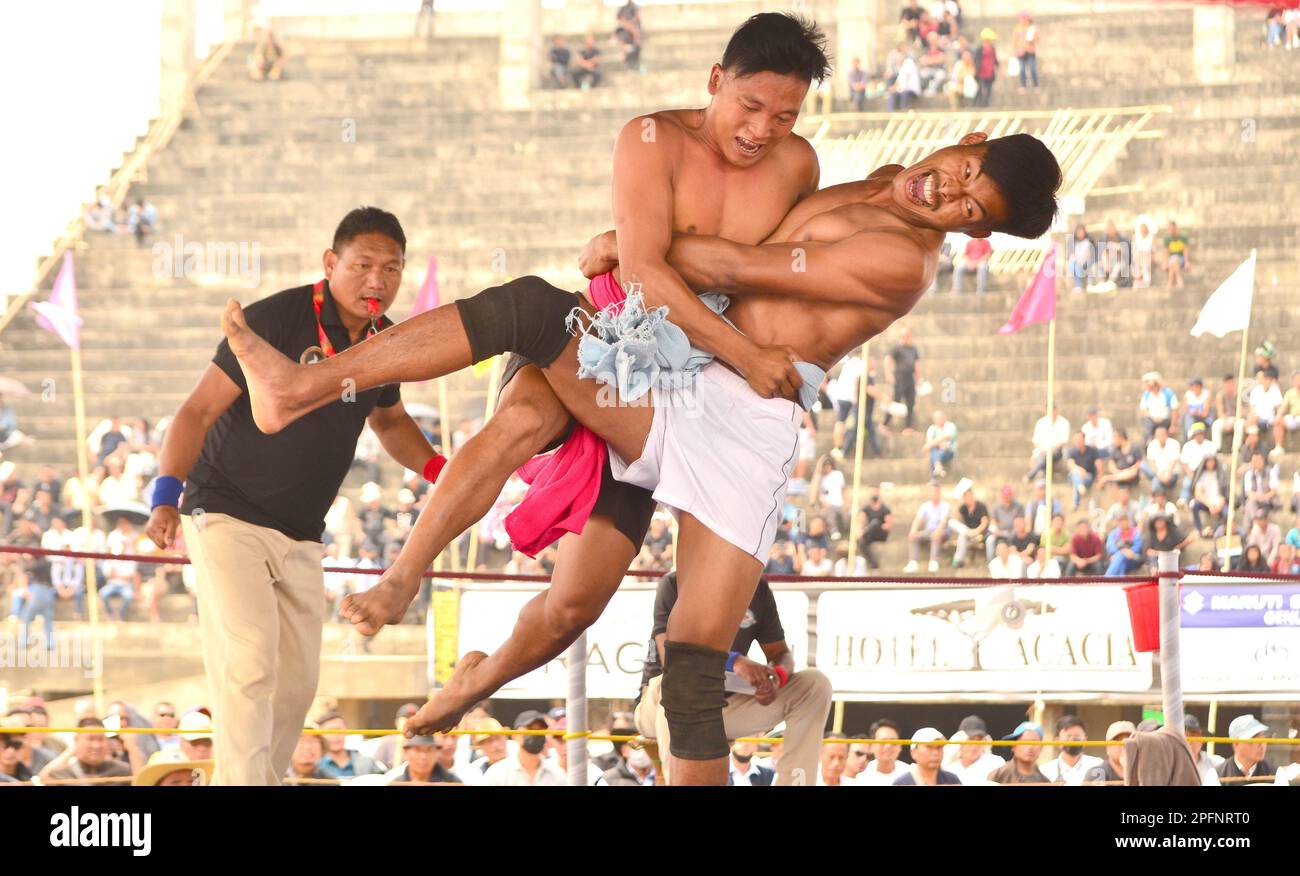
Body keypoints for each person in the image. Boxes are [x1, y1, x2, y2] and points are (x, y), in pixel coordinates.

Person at [229, 125, 1061, 783]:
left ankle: (461, 666)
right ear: (969, 139)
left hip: (749, 415)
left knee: (692, 666)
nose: (949, 194)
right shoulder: (874, 177)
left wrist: (635, 243)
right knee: (531, 351)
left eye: (970, 212)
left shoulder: (901, 259)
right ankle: (350, 469)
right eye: (963, 174)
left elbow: (734, 260)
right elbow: (728, 245)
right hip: (675, 368)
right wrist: (636, 245)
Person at [140, 209, 438, 786]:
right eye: (363, 265)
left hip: (302, 530)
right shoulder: (275, 317)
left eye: (392, 269)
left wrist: (443, 469)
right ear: (331, 264)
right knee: (249, 663)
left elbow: (393, 421)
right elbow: (196, 410)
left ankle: (257, 780)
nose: (378, 280)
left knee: (298, 683)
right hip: (223, 512)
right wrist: (164, 495)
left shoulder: (387, 341)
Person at [633, 572, 832, 787]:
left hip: (724, 704)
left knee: (815, 684)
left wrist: (775, 679)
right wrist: (734, 662)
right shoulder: (676, 583)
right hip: (660, 704)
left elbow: (780, 654)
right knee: (676, 682)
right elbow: (671, 658)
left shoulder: (757, 587)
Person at [484, 711, 566, 786]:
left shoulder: (557, 774)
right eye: (529, 729)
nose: (536, 734)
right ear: (515, 736)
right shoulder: (498, 773)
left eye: (540, 730)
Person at [1039, 715, 1105, 784]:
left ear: (1085, 739)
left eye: (1077, 736)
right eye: (1068, 736)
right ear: (1057, 741)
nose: (1072, 740)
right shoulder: (1045, 771)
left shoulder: (1097, 765)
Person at [904, 482, 950, 573]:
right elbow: (918, 520)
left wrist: (938, 531)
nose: (933, 494)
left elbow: (943, 522)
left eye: (935, 491)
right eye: (931, 492)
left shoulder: (945, 506)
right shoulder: (925, 506)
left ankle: (934, 561)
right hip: (928, 531)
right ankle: (913, 562)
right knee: (914, 536)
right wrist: (913, 530)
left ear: (939, 492)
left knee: (935, 535)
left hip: (943, 531)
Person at [944, 715, 1004, 784]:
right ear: (960, 740)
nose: (975, 746)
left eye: (979, 740)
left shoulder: (996, 763)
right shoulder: (949, 768)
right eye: (970, 739)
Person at [1217, 714, 1274, 785]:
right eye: (1253, 740)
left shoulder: (1275, 774)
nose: (1262, 745)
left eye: (1263, 739)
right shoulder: (1217, 775)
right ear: (1236, 744)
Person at [893, 727, 961, 785]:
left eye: (939, 747)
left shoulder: (952, 780)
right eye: (929, 747)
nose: (935, 752)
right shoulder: (902, 783)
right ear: (913, 752)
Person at [857, 488, 893, 569]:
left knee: (875, 523)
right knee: (862, 542)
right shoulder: (866, 508)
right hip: (870, 534)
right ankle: (874, 563)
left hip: (881, 534)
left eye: (875, 492)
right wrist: (860, 530)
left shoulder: (885, 508)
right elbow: (861, 522)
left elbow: (889, 525)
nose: (874, 494)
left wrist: (879, 526)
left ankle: (866, 532)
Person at [923, 409, 957, 478]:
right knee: (934, 451)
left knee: (934, 452)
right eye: (936, 418)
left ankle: (934, 479)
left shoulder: (950, 426)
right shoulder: (932, 428)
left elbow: (946, 437)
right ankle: (938, 466)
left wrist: (934, 444)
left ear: (944, 418)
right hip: (936, 450)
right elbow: (927, 444)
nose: (937, 420)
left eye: (939, 418)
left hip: (948, 452)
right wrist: (939, 445)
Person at [1012, 12, 1039, 93]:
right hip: (1020, 52)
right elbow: (1014, 40)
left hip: (1030, 51)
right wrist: (1016, 50)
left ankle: (1036, 85)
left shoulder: (1033, 28)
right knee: (1022, 69)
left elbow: (1037, 39)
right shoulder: (1017, 28)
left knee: (1032, 68)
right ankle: (1023, 86)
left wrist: (1032, 39)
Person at [972, 27, 997, 107]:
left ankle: (986, 104)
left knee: (989, 90)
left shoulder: (992, 48)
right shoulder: (980, 48)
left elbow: (995, 59)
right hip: (981, 72)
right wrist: (976, 70)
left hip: (990, 72)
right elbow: (976, 60)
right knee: (981, 89)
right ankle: (976, 104)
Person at [1163, 219, 1189, 289]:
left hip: (1181, 258)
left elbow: (1185, 250)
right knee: (1173, 261)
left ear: (1175, 228)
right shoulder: (1167, 238)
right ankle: (1178, 279)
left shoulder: (1183, 237)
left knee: (1174, 260)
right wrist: (1165, 262)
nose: (1170, 231)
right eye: (1169, 229)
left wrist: (1187, 262)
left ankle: (1171, 282)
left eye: (1171, 229)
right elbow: (1166, 251)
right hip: (1172, 260)